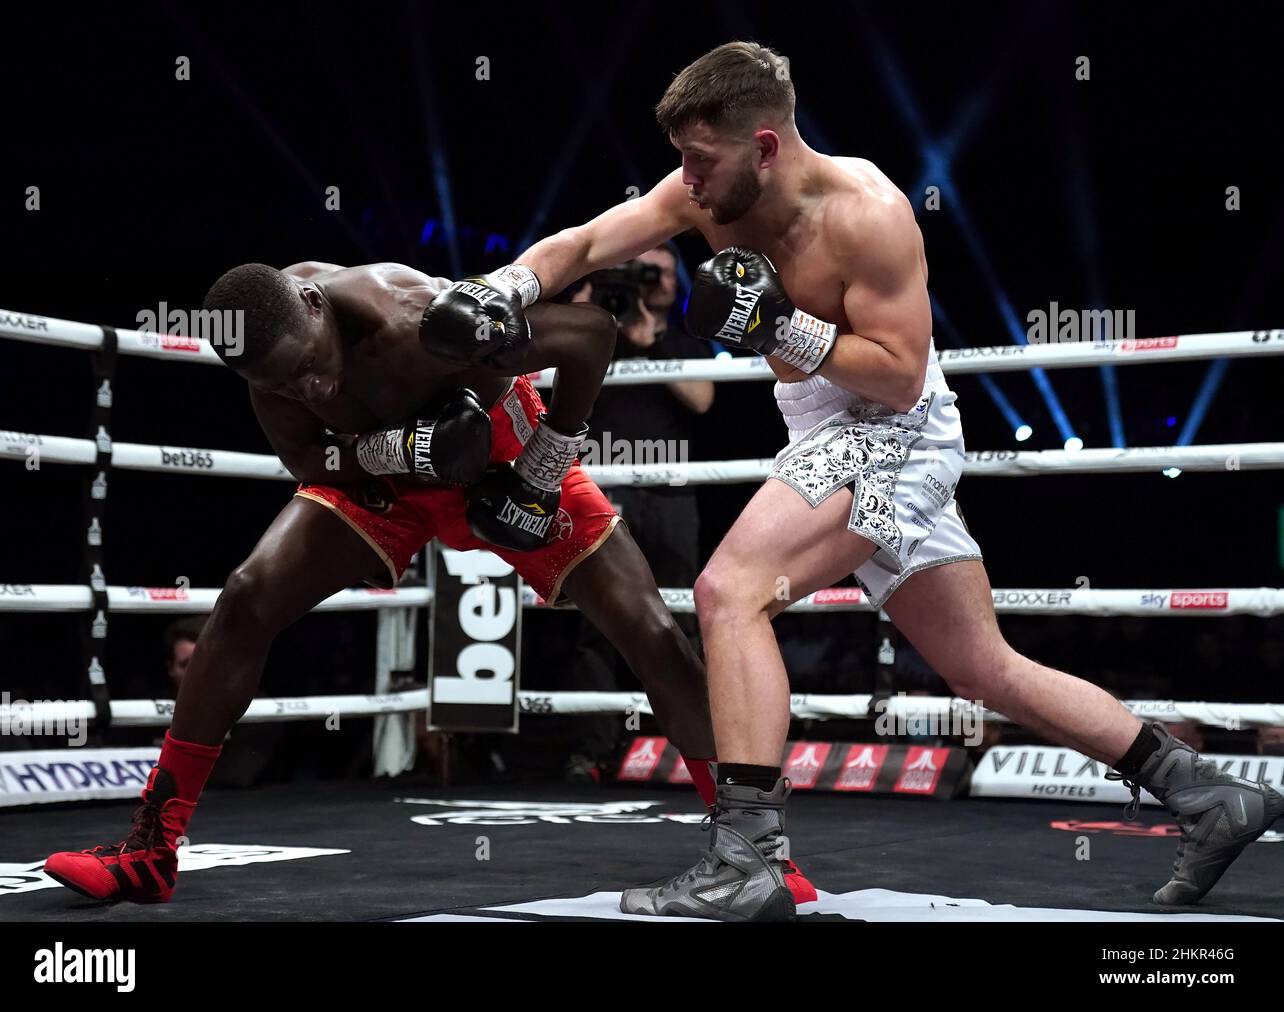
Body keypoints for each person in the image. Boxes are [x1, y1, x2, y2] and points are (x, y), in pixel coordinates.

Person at [455, 42, 1283, 919]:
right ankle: (1206, 793)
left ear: (766, 146)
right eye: (682, 159)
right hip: (825, 427)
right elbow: (585, 242)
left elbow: (897, 372)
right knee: (982, 667)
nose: (685, 180)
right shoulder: (700, 189)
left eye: (703, 159)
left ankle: (748, 858)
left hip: (895, 430)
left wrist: (783, 326)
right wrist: (502, 288)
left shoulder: (871, 216)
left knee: (730, 591)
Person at [42, 260, 730, 904]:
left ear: (315, 308)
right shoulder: (271, 363)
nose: (305, 390)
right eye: (281, 385)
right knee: (248, 598)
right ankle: (150, 849)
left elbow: (589, 334)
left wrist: (545, 466)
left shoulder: (418, 322)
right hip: (386, 478)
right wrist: (399, 448)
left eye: (307, 368)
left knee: (652, 634)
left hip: (504, 454)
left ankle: (748, 847)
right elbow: (308, 459)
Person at [564, 244, 715, 781]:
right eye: (646, 271)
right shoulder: (595, 327)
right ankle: (592, 752)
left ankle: (691, 748)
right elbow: (559, 387)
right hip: (603, 492)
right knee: (598, 625)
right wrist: (591, 310)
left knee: (678, 617)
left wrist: (650, 342)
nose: (658, 281)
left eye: (666, 273)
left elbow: (701, 399)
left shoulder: (687, 331)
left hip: (671, 491)